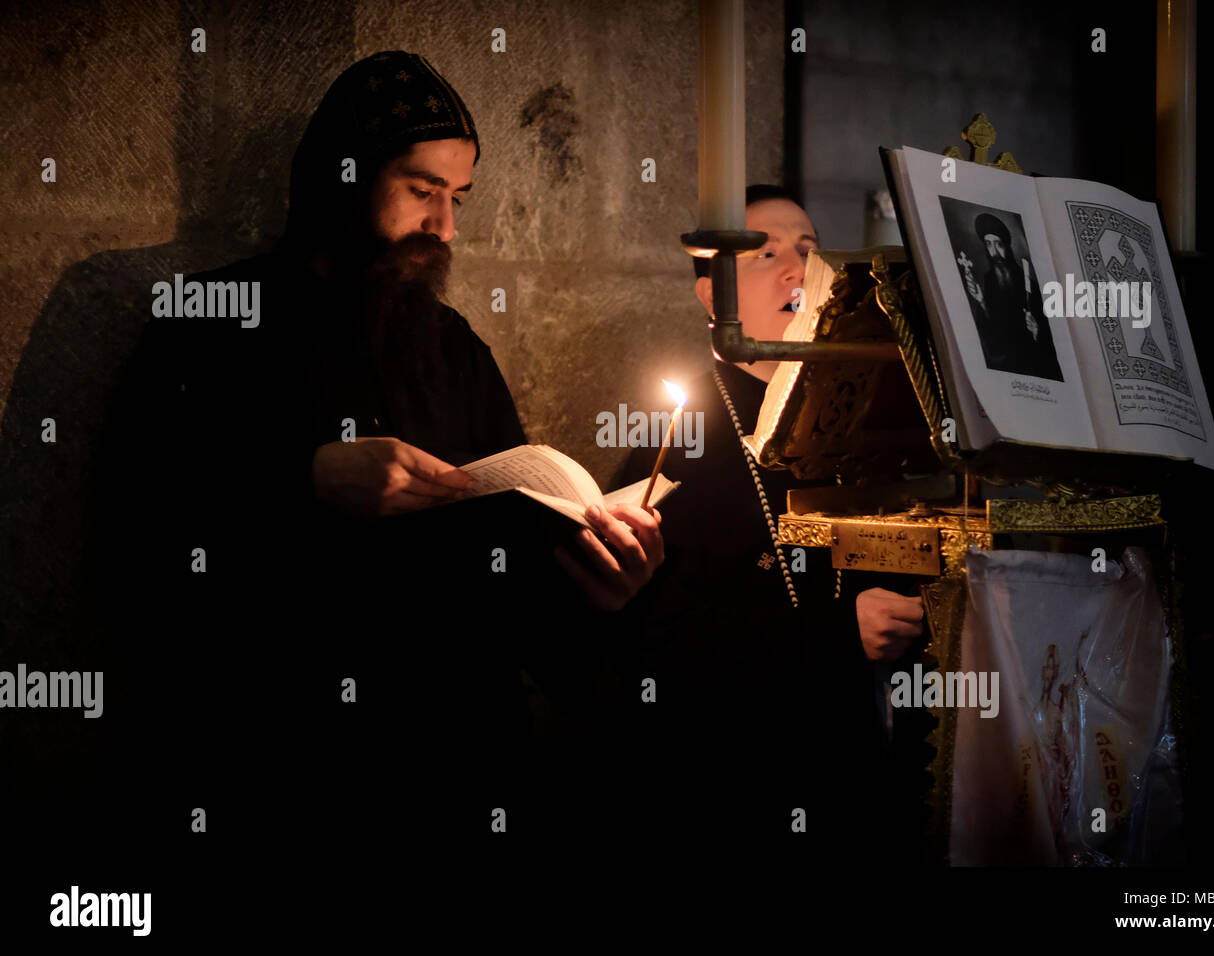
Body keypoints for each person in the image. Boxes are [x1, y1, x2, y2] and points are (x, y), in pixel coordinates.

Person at [97, 51, 664, 842]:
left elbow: (511, 557)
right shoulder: (210, 319)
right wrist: (307, 477)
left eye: (458, 197)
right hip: (279, 768)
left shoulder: (452, 347)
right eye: (422, 190)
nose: (445, 226)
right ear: (344, 177)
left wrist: (600, 583)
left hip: (455, 765)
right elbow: (133, 524)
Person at [609, 186, 931, 844]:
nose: (794, 268)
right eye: (764, 254)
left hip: (862, 788)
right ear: (711, 296)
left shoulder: (867, 421)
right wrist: (837, 636)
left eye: (808, 252)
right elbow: (646, 651)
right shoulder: (676, 441)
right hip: (730, 797)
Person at [963, 212, 1063, 380]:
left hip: (1034, 365)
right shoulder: (989, 281)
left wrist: (1037, 331)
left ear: (1007, 247)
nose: (994, 252)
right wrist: (982, 303)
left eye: (998, 244)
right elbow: (994, 340)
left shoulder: (1027, 283)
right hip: (1008, 367)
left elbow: (1054, 335)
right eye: (988, 244)